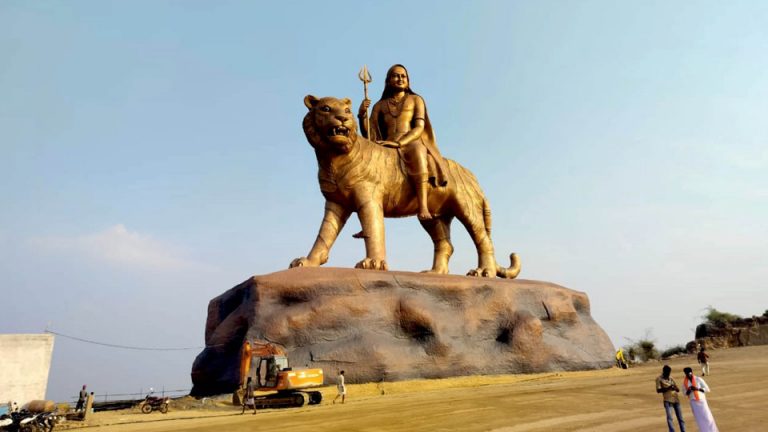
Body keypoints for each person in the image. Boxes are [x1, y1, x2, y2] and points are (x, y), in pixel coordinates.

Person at [358, 64, 448, 221]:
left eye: (403, 76)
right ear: (388, 81)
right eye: (396, 76)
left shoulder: (415, 100)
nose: (400, 79)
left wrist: (399, 143)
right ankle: (367, 216)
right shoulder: (379, 105)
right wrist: (361, 115)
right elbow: (369, 135)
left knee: (418, 152)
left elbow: (419, 127)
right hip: (385, 143)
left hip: (410, 141)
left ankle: (423, 206)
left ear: (408, 81)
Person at [682, 367, 719, 432]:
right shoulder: (684, 382)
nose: (688, 375)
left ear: (691, 372)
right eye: (686, 374)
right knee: (699, 419)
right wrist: (689, 390)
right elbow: (684, 393)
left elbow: (707, 389)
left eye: (689, 373)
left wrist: (697, 389)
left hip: (701, 401)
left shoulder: (698, 379)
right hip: (693, 402)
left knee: (707, 417)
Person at [656, 365, 686, 432]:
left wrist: (675, 388)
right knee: (670, 418)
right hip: (668, 400)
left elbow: (678, 389)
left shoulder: (671, 378)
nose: (668, 374)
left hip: (676, 399)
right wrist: (668, 388)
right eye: (667, 373)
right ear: (663, 371)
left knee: (680, 418)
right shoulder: (659, 379)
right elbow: (658, 390)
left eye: (669, 373)